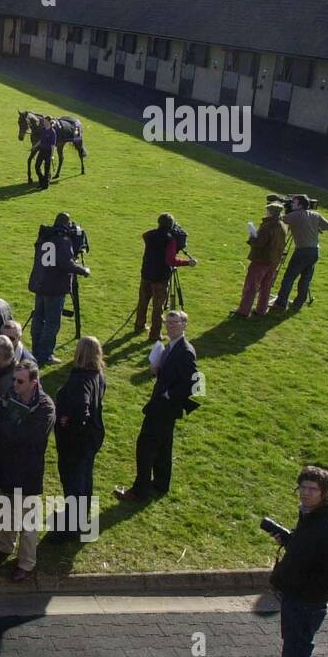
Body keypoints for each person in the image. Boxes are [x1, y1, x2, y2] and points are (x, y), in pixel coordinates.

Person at [0, 359, 55, 581]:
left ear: (34, 381)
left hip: (26, 471)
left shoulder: (45, 406)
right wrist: (3, 428)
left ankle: (26, 563)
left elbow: (30, 437)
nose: (15, 384)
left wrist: (1, 429)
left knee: (28, 522)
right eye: (13, 380)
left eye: (20, 381)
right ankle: (3, 546)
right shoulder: (10, 395)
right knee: (2, 510)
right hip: (4, 465)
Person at [269, 466, 328, 657]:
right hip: (295, 599)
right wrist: (290, 542)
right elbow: (309, 549)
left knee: (296, 655)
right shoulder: (310, 514)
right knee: (292, 651)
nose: (305, 493)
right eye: (302, 488)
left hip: (306, 603)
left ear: (324, 493)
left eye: (312, 489)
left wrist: (302, 582)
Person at [115, 310, 199, 502]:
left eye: (175, 323)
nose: (170, 326)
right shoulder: (171, 346)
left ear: (185, 324)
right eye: (167, 323)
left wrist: (169, 394)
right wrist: (156, 371)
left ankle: (139, 491)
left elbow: (194, 384)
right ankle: (161, 483)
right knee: (163, 446)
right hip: (164, 406)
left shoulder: (185, 351)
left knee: (145, 446)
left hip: (164, 407)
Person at [53, 337, 106, 542]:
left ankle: (70, 528)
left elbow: (80, 411)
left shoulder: (79, 379)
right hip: (93, 435)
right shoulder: (98, 374)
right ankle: (80, 519)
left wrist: (66, 422)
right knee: (85, 478)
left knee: (73, 481)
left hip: (76, 442)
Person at [27, 212, 90, 366]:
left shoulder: (44, 237)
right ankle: (45, 354)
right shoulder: (63, 240)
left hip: (40, 283)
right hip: (55, 287)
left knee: (38, 318)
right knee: (52, 322)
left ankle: (36, 350)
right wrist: (84, 270)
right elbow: (66, 264)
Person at [135, 213, 195, 342]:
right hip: (160, 278)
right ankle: (154, 335)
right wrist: (187, 262)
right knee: (158, 308)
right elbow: (171, 261)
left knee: (143, 302)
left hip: (146, 273)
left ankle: (139, 325)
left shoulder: (149, 235)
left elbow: (145, 235)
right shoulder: (170, 240)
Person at [271, 195, 328, 313]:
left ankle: (281, 303)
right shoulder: (315, 215)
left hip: (302, 251)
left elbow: (279, 220)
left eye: (294, 203)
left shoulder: (295, 215)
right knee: (305, 278)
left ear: (300, 205)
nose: (291, 205)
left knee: (289, 277)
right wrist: (316, 227)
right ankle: (298, 303)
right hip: (314, 251)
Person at [235, 203, 291, 318]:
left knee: (251, 285)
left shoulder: (268, 225)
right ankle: (261, 309)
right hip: (274, 260)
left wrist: (252, 236)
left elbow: (259, 243)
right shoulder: (283, 225)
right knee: (266, 287)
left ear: (270, 212)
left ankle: (244, 310)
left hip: (261, 259)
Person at [31, 116, 57, 189]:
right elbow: (40, 140)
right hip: (42, 150)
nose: (44, 123)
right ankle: (42, 181)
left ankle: (45, 185)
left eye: (45, 121)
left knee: (46, 170)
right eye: (44, 121)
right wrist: (35, 146)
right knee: (37, 166)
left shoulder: (52, 132)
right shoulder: (43, 130)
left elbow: (53, 146)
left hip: (48, 152)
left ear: (49, 122)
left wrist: (52, 155)